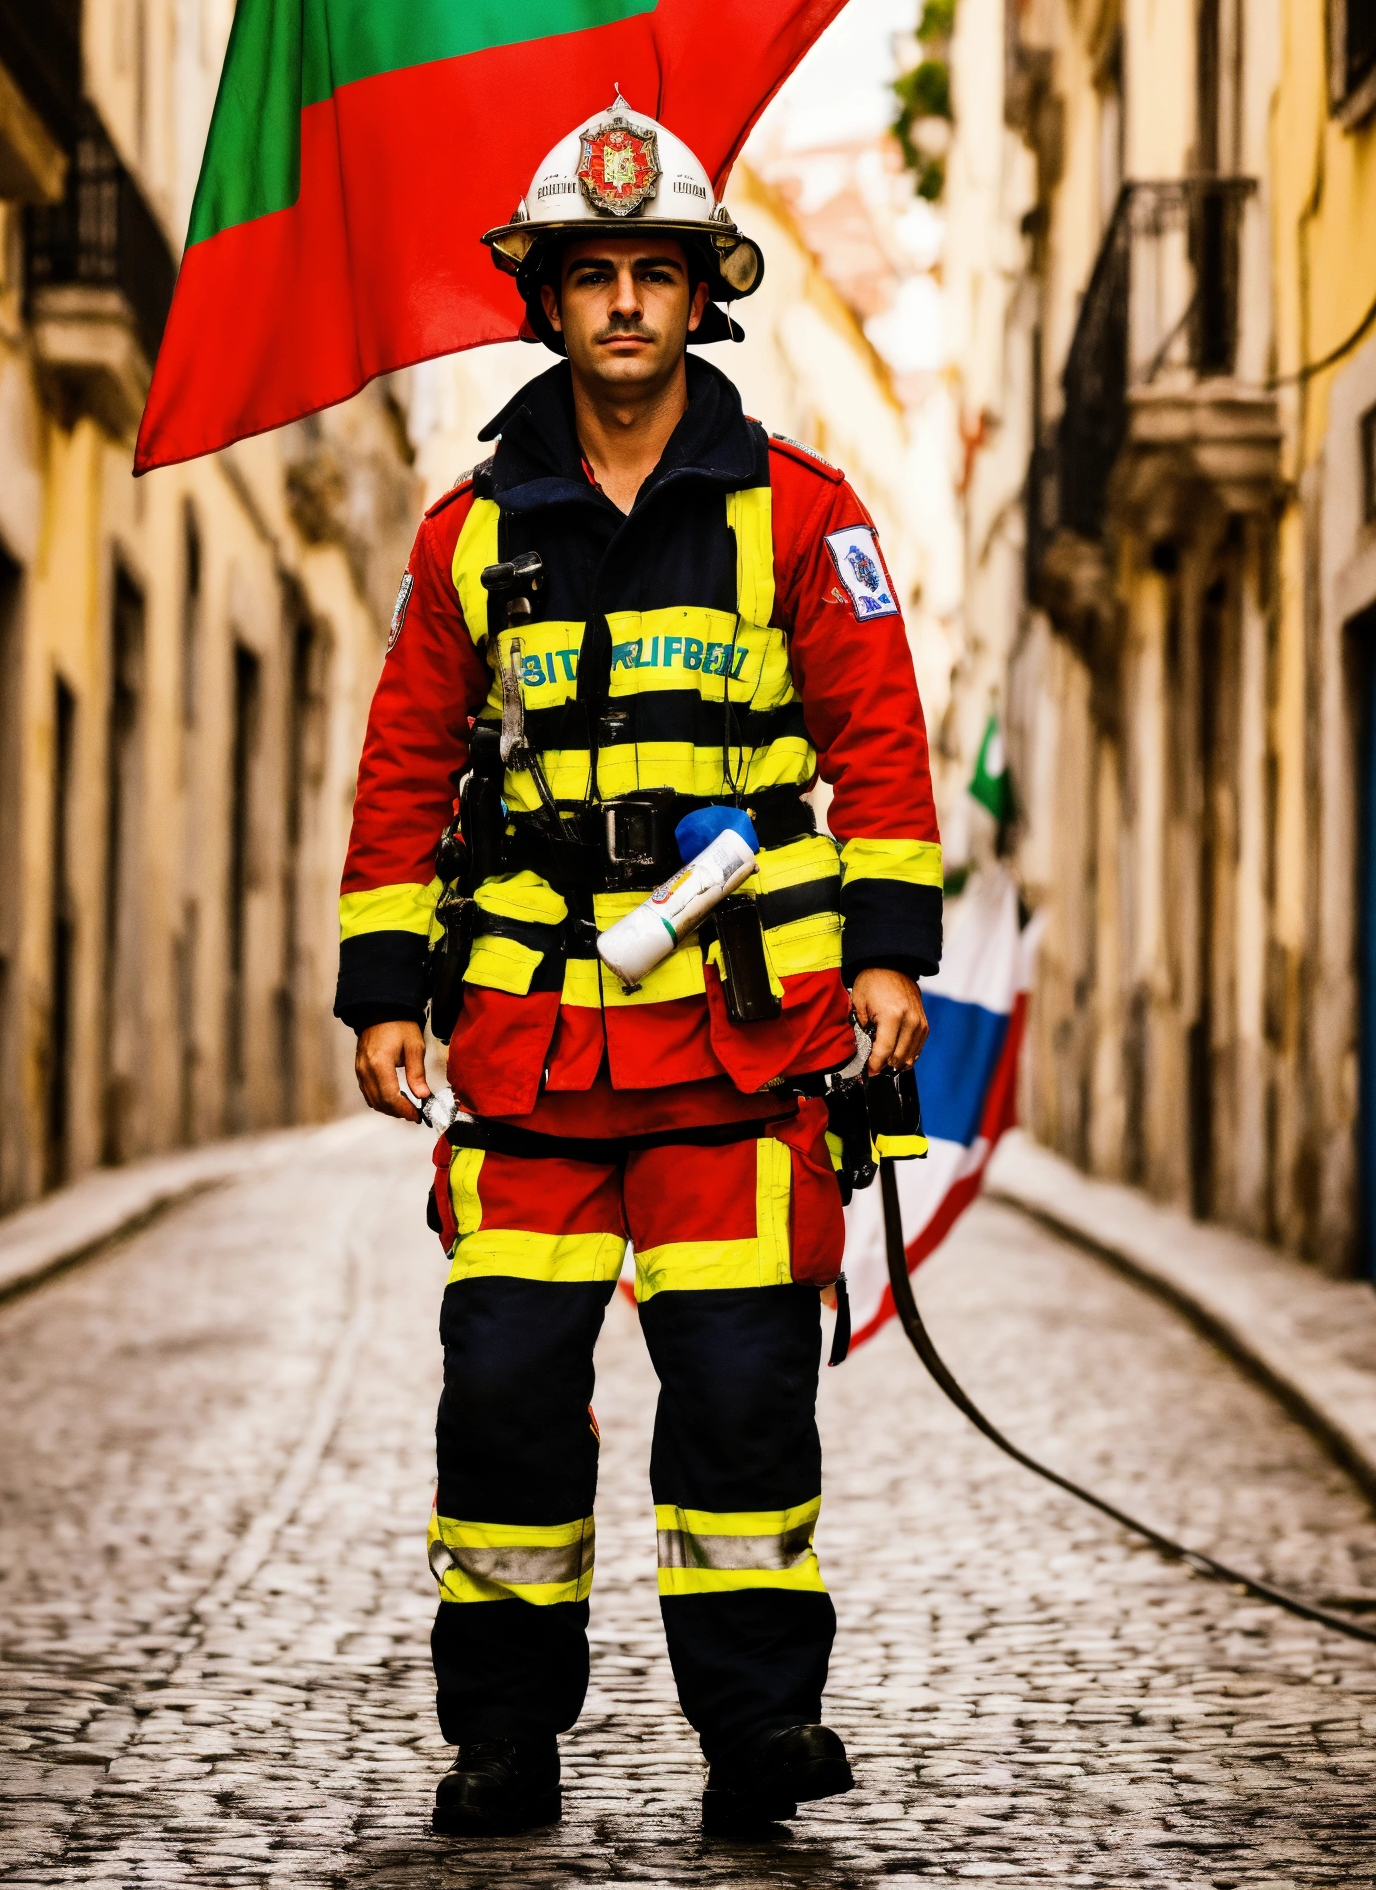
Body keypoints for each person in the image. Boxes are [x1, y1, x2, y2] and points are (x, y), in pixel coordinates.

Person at [335, 98, 940, 1839]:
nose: (620, 302)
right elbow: (403, 764)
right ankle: (503, 1739)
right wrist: (386, 993)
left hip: (745, 1051)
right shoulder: (463, 538)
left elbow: (879, 746)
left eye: (651, 274)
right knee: (507, 1404)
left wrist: (892, 960)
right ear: (548, 298)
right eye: (590, 273)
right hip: (526, 1054)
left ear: (700, 298)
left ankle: (760, 1736)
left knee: (744, 1408)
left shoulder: (802, 514)